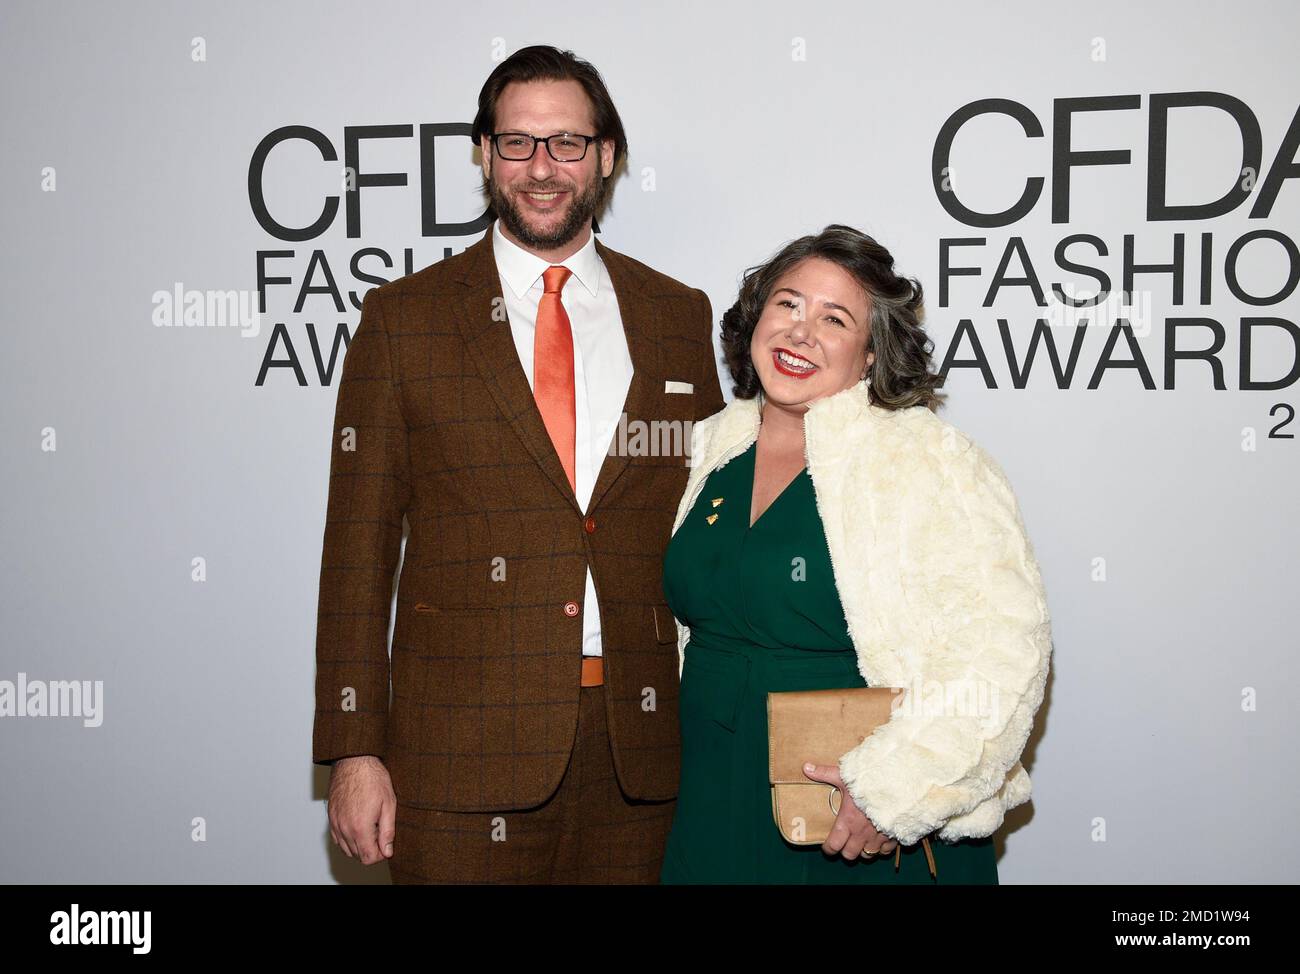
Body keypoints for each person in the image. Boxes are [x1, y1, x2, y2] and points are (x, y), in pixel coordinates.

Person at [312, 45, 723, 883]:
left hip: (641, 754)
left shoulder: (679, 315)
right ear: (485, 155)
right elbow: (358, 549)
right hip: (456, 762)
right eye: (517, 144)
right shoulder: (405, 321)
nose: (542, 168)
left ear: (607, 156)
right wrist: (353, 752)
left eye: (567, 143)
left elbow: (710, 525)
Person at [659, 224, 1052, 884]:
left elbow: (1005, 655)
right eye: (787, 304)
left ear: (870, 354)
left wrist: (892, 791)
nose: (800, 331)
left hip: (859, 820)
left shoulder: (929, 462)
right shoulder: (706, 450)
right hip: (712, 796)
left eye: (833, 318)